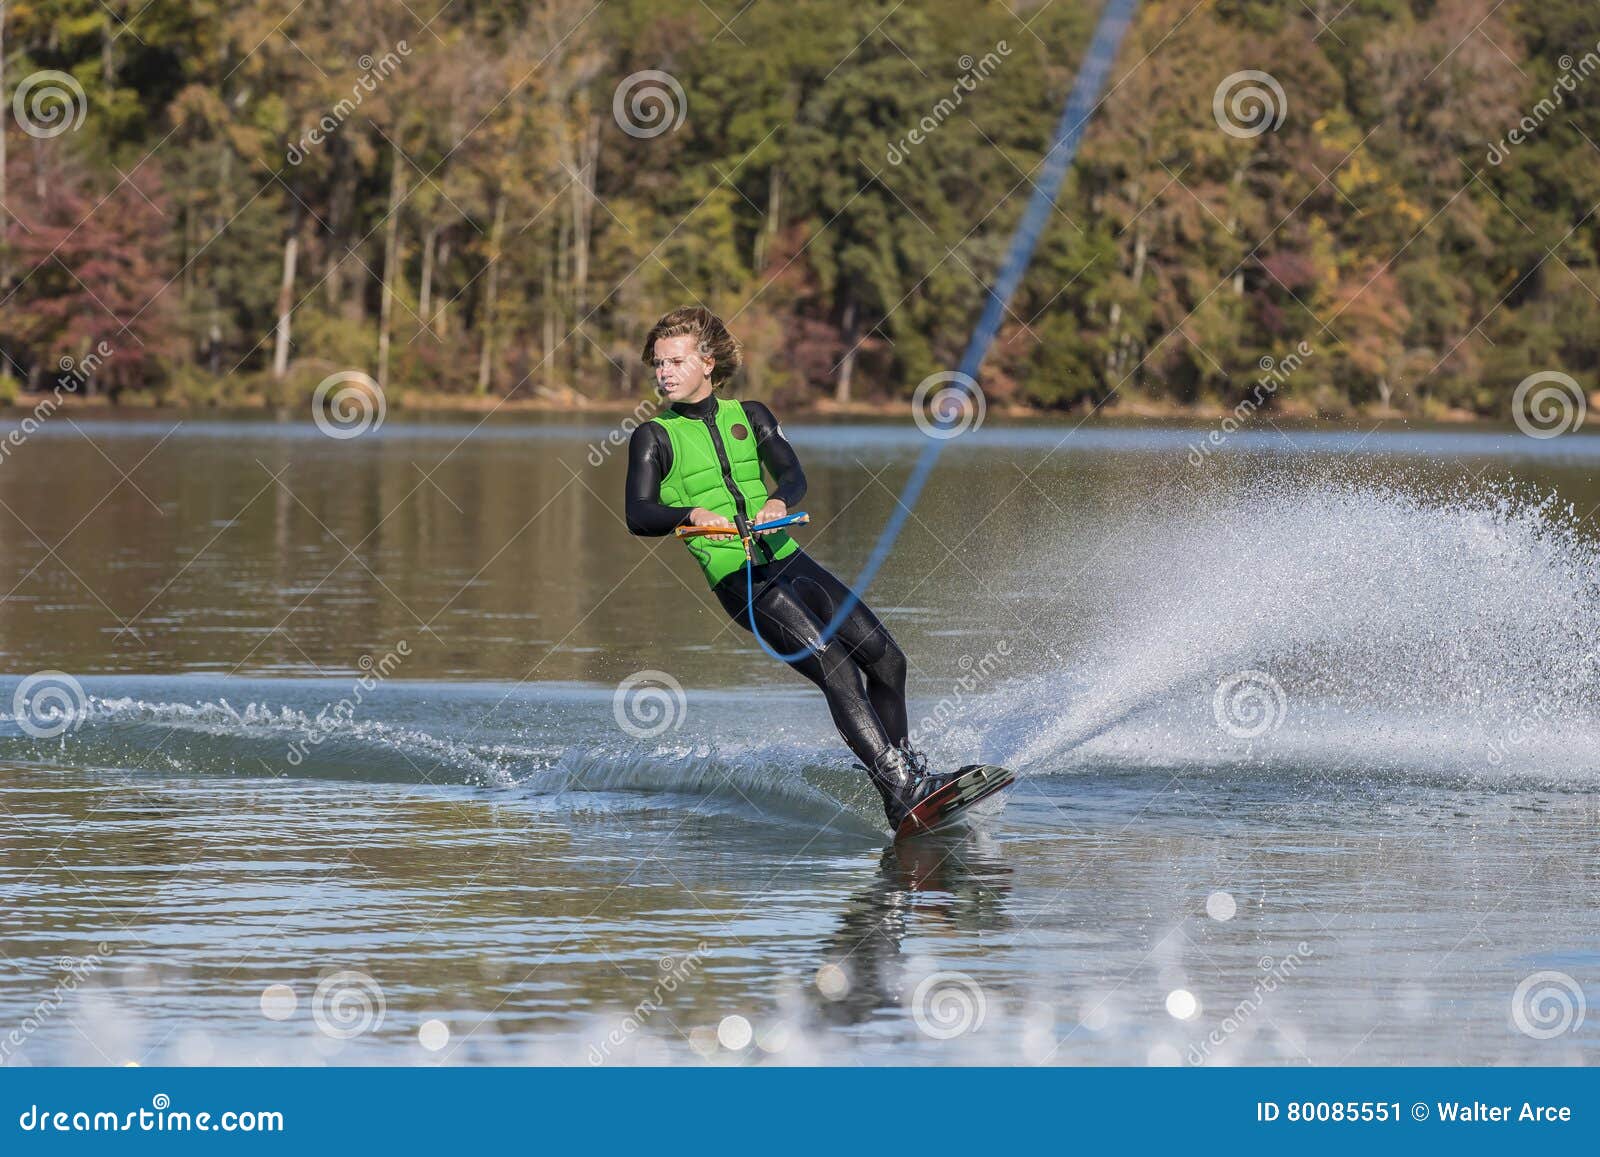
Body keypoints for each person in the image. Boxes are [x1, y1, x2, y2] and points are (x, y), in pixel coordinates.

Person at [624, 305, 957, 829]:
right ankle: (901, 789)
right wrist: (689, 514)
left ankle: (908, 776)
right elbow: (638, 514)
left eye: (675, 361)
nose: (664, 373)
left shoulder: (752, 416)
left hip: (788, 559)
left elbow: (793, 473)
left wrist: (779, 500)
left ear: (707, 363)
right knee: (835, 667)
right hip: (740, 580)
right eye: (659, 364)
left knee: (887, 660)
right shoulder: (653, 436)